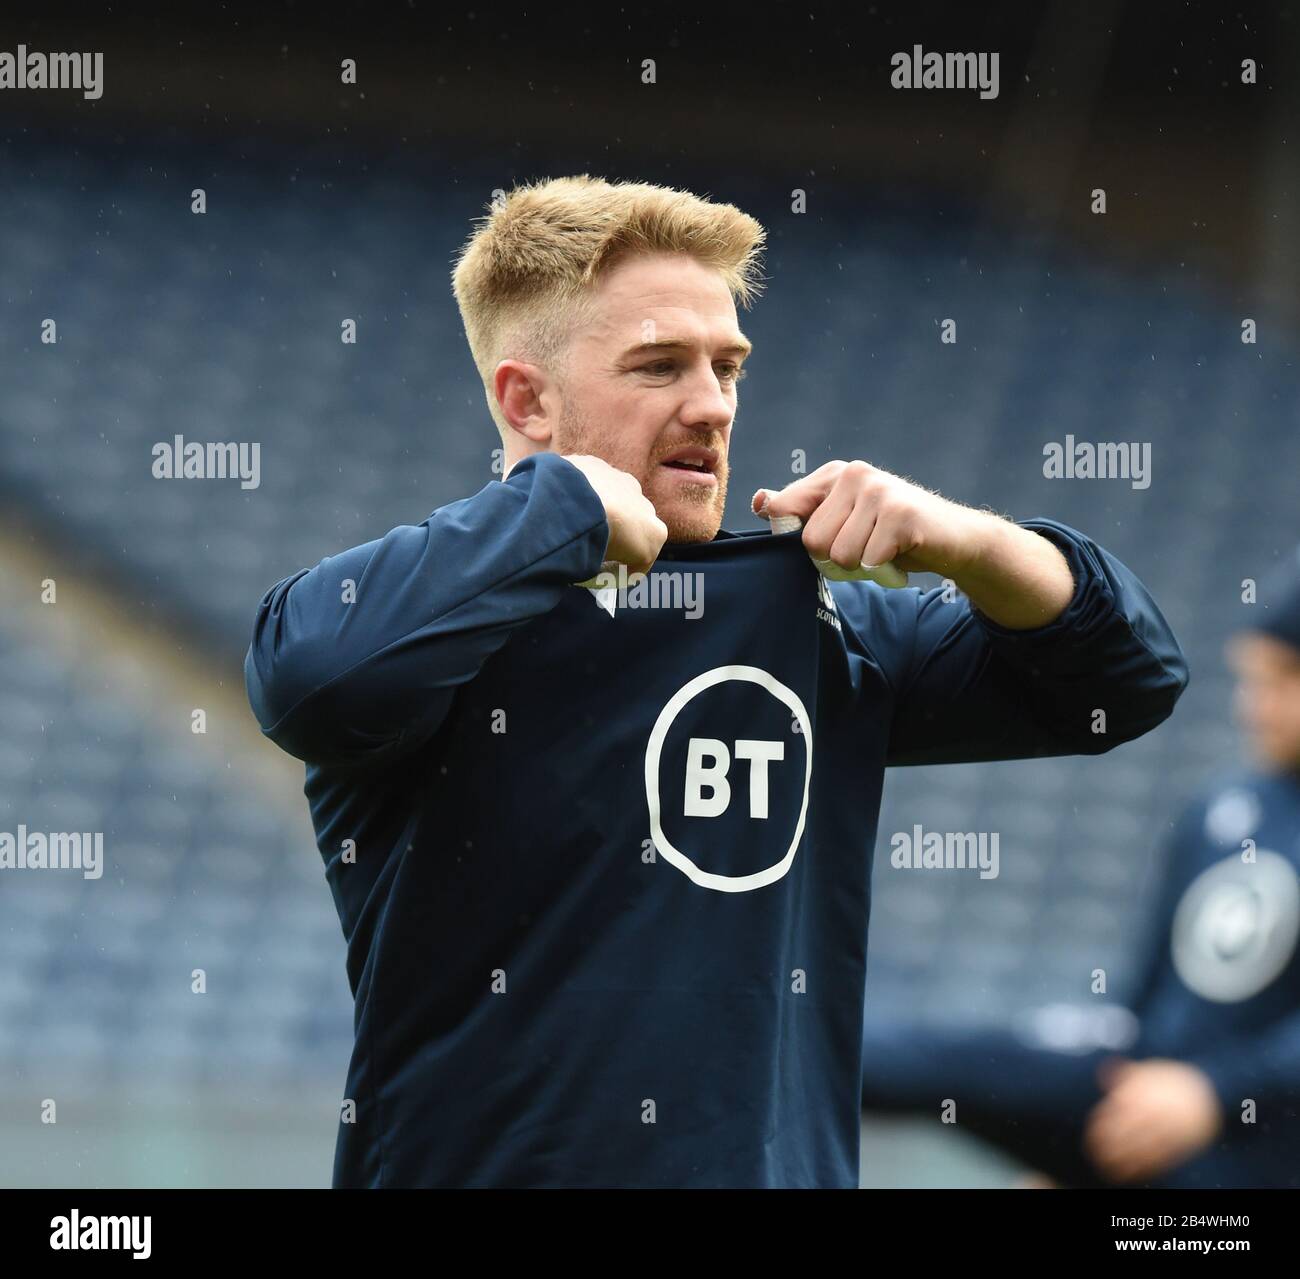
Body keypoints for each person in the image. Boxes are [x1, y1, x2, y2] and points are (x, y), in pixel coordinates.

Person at [243, 174, 1188, 1188]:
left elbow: (1125, 678)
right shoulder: (421, 624)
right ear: (526, 398)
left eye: (726, 366)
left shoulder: (807, 622)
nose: (712, 404)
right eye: (659, 366)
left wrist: (962, 540)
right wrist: (555, 511)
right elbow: (309, 678)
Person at [860, 547, 1300, 1189]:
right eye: (1251, 679)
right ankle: (759, 1061)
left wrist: (1213, 1093)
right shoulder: (1223, 810)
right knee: (937, 1062)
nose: (1253, 704)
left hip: (1259, 1137)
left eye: (1282, 678)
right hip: (1150, 1096)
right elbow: (1153, 996)